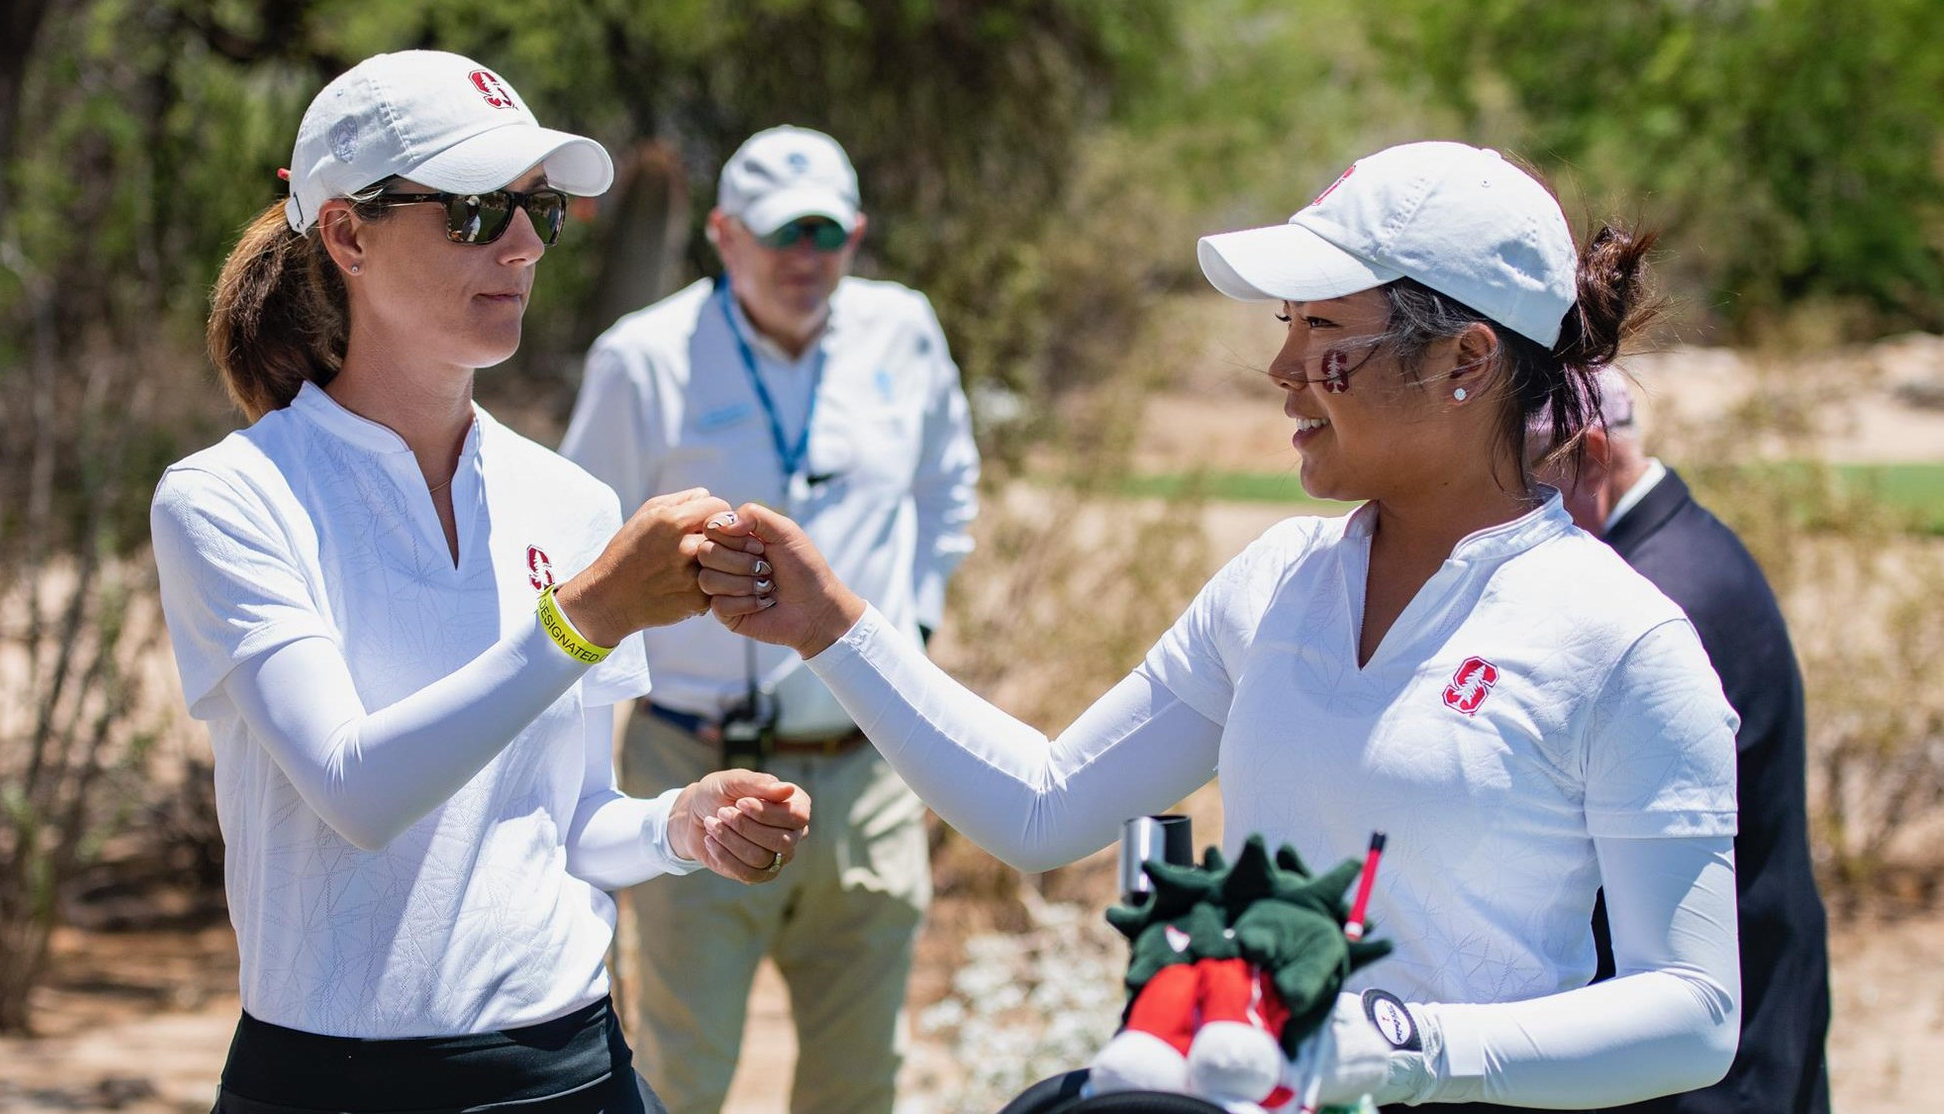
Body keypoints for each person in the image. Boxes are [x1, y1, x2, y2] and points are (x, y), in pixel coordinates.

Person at [702, 141, 1744, 1112]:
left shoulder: (1620, 640)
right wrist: (832, 624)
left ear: (1466, 357)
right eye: (1283, 325)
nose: (1283, 367)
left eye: (1324, 331)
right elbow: (1042, 807)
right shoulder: (1276, 582)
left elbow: (1696, 1010)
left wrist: (1401, 1045)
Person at [149, 51, 812, 1114]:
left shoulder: (569, 501)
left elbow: (568, 818)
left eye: (536, 210)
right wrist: (591, 611)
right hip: (333, 1086)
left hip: (577, 1069)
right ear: (347, 234)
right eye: (471, 211)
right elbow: (358, 789)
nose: (518, 246)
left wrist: (677, 827)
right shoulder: (229, 499)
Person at [560, 124, 981, 1114]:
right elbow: (581, 543)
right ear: (723, 234)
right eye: (781, 233)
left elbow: (945, 485)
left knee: (858, 1080)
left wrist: (908, 636)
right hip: (693, 766)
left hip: (868, 770)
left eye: (826, 234)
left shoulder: (904, 327)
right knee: (678, 1069)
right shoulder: (644, 358)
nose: (806, 258)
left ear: (857, 234)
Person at [1531, 373, 1831, 1114]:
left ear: (1591, 459)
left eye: (1520, 484)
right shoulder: (1677, 549)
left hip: (1711, 1070)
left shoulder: (1655, 607)